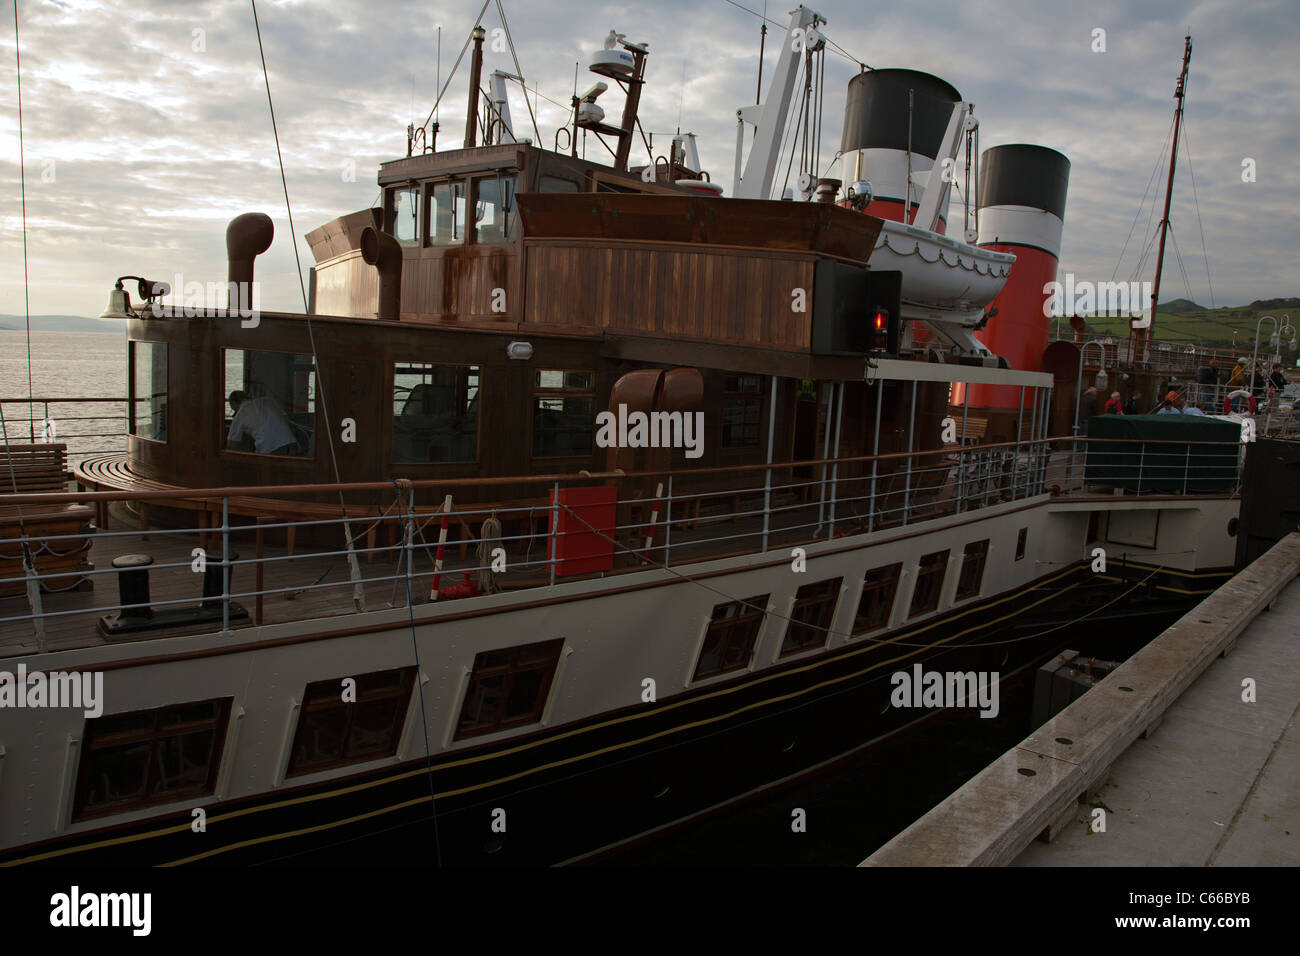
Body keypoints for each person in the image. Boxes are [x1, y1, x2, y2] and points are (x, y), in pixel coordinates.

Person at [227, 390, 299, 455]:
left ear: (234, 403)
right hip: (290, 443)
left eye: (233, 408)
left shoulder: (239, 415)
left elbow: (231, 444)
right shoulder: (267, 401)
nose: (235, 411)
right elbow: (286, 418)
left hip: (270, 448)